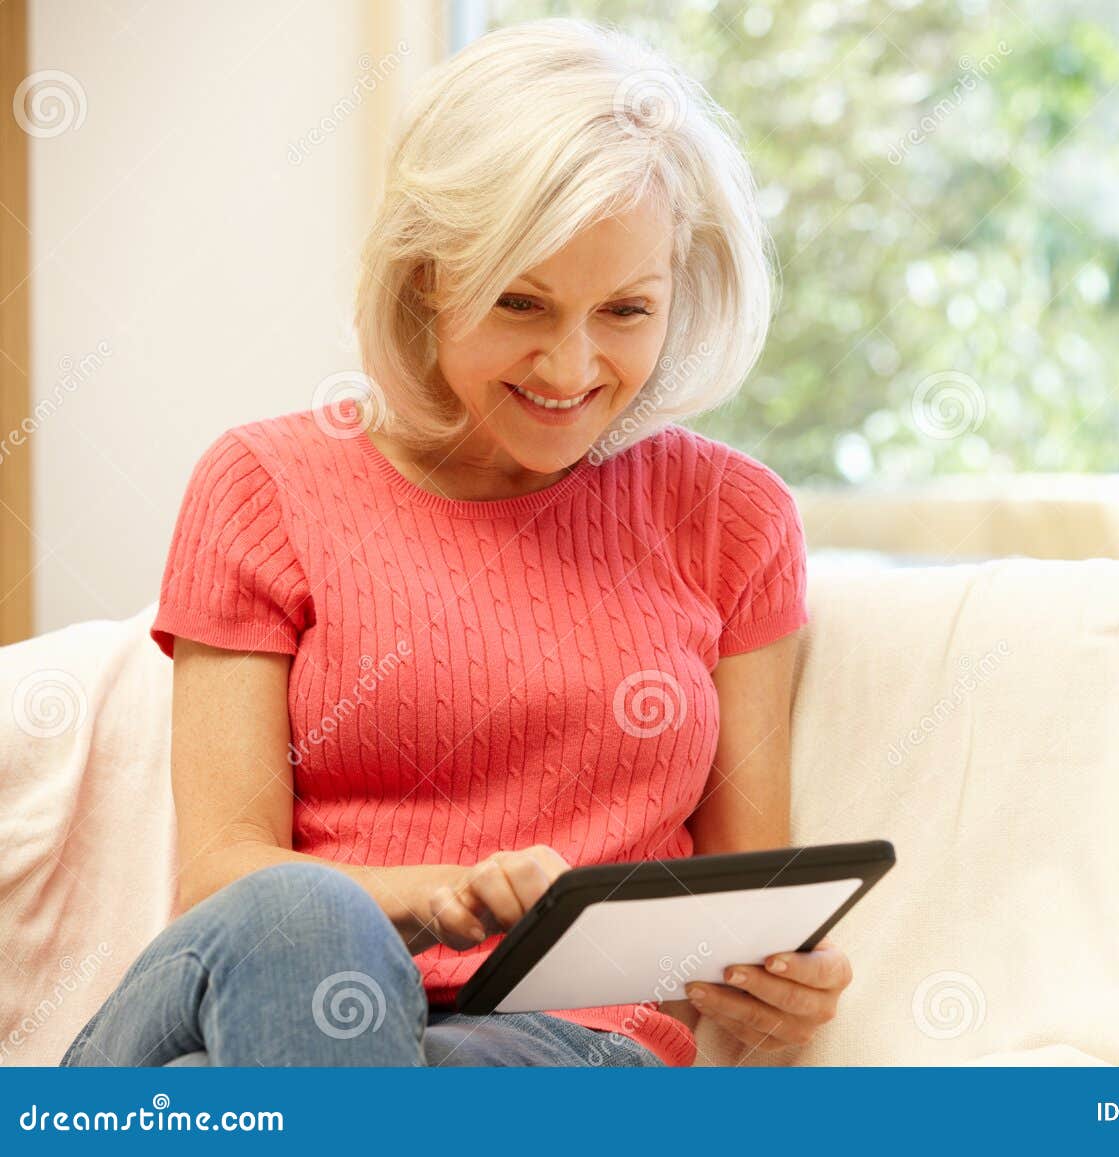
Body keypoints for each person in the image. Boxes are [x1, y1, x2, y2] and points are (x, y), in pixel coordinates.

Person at [60, 16, 852, 1069]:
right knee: (303, 918)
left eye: (625, 310)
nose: (570, 366)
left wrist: (778, 987)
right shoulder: (263, 484)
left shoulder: (729, 516)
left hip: (549, 1050)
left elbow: (742, 903)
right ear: (429, 276)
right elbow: (222, 877)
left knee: (259, 1094)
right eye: (521, 302)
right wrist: (441, 896)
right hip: (252, 982)